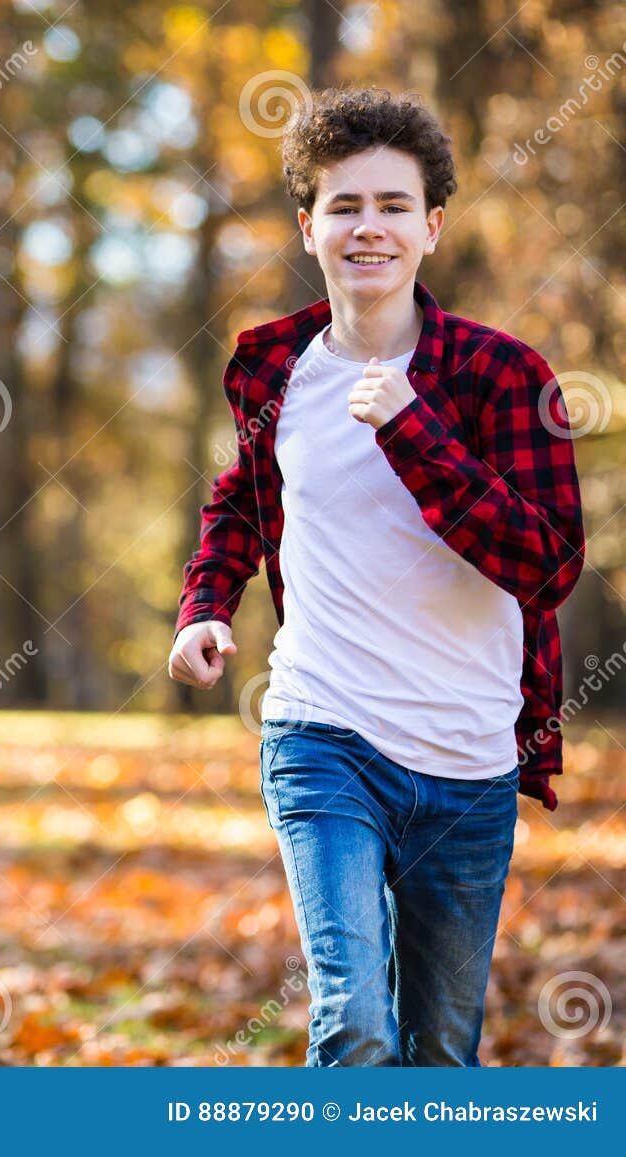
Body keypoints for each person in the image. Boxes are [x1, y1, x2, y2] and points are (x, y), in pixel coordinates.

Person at [168, 89, 585, 1066]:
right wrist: (204, 606)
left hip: (467, 756)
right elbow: (243, 498)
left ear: (430, 226)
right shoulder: (270, 367)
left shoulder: (503, 376)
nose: (370, 228)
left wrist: (411, 431)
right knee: (353, 1023)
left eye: (393, 205)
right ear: (308, 224)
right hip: (322, 734)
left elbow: (547, 561)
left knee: (440, 1049)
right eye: (345, 205)